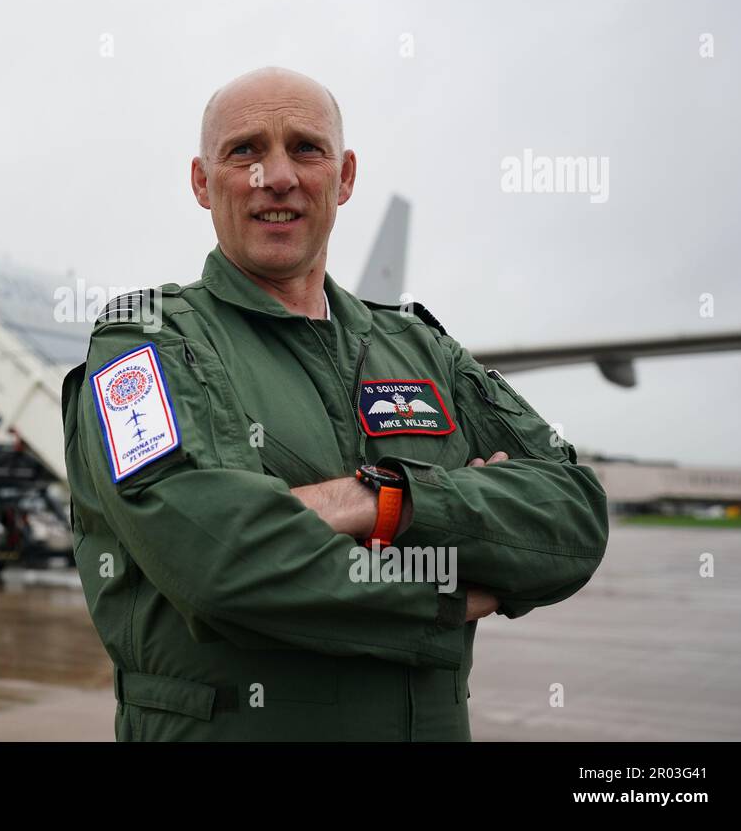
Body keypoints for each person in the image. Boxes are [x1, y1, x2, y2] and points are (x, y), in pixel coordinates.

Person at [60, 67, 608, 741]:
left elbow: (574, 518)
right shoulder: (147, 341)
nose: (277, 176)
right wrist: (447, 591)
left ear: (344, 177)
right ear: (202, 182)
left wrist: (380, 501)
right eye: (245, 152)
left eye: (306, 149)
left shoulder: (422, 349)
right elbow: (220, 561)